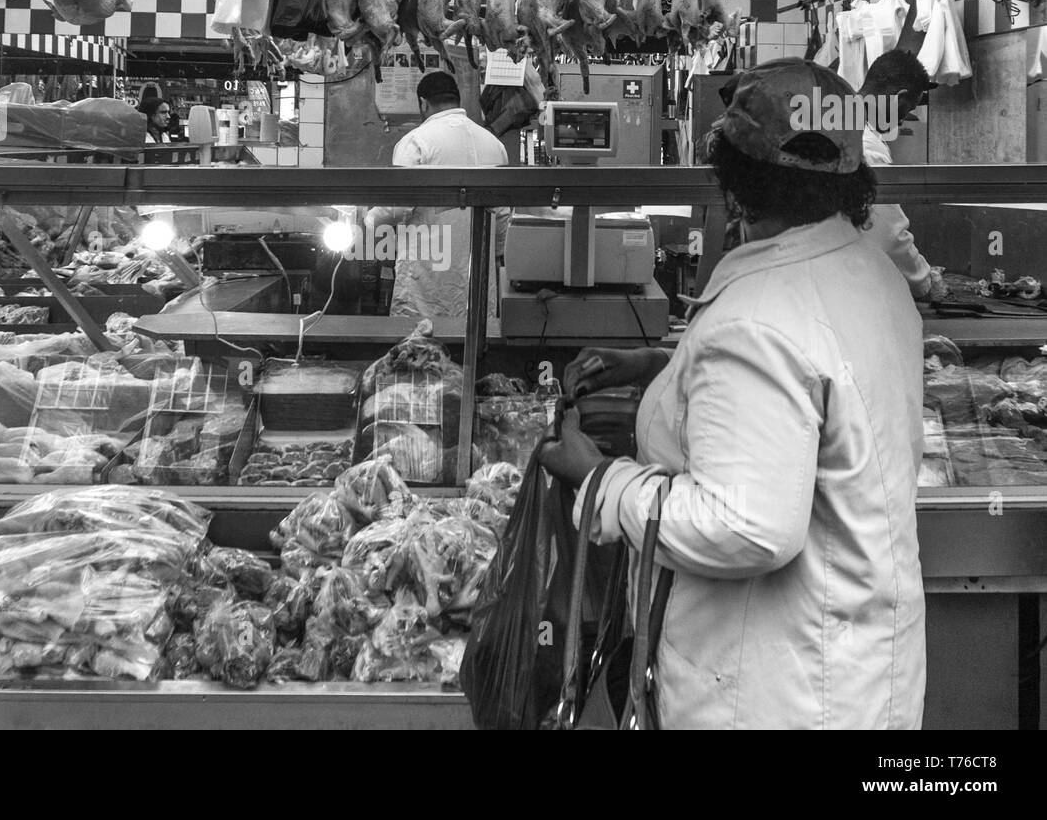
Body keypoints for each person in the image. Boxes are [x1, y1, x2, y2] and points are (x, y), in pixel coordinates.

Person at [542, 58, 926, 729]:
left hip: (774, 689)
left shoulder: (758, 319)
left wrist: (599, 480)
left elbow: (743, 526)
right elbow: (804, 370)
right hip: (854, 660)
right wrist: (661, 363)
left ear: (736, 178)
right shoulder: (869, 273)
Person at [370, 71, 509, 318]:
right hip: (475, 285)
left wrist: (368, 222)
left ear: (423, 103)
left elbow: (397, 206)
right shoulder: (494, 145)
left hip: (425, 286)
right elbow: (501, 219)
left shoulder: (416, 142)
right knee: (471, 350)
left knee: (419, 352)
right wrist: (496, 256)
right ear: (457, 100)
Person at [859, 49, 946, 301]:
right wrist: (924, 281)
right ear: (899, 98)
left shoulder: (834, 119)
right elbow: (887, 233)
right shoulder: (867, 147)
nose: (901, 120)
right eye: (905, 110)